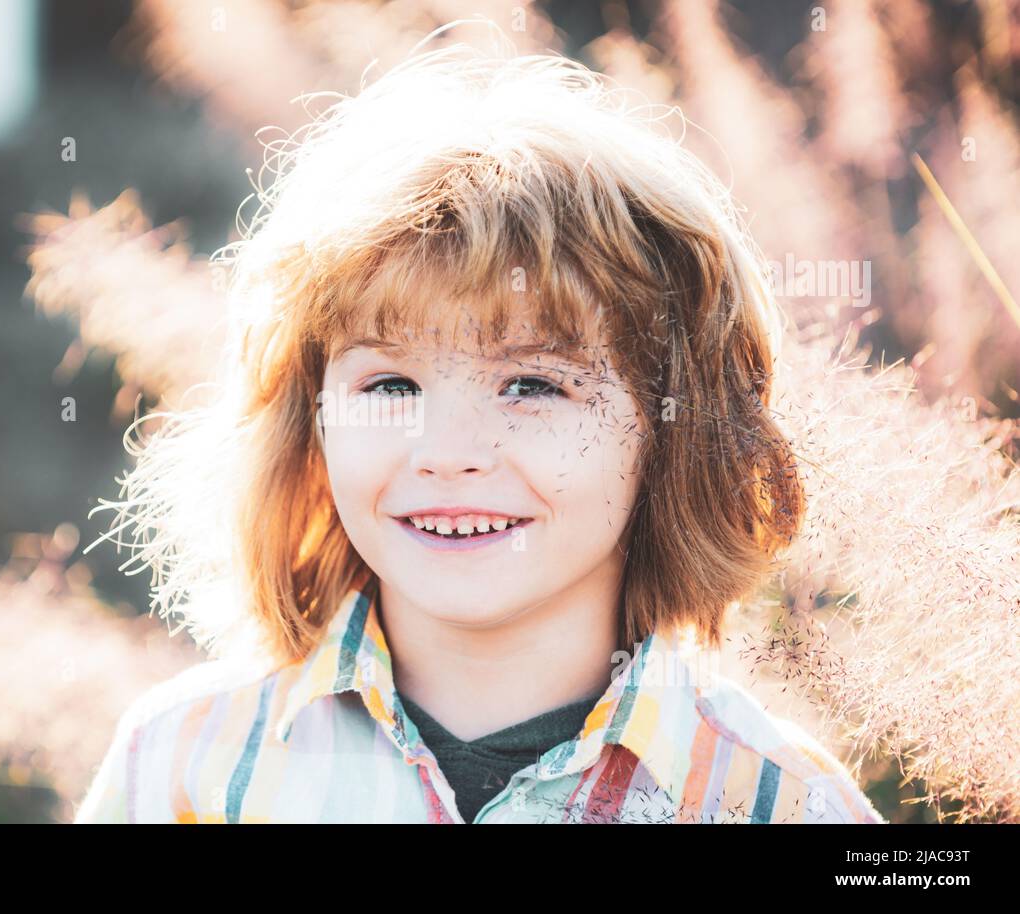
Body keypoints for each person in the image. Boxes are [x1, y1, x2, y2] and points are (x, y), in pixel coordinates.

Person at [74, 30, 885, 824]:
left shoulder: (780, 803)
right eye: (391, 384)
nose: (450, 454)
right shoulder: (185, 771)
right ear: (310, 424)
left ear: (671, 432)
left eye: (531, 385)